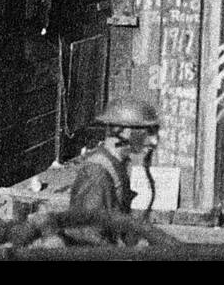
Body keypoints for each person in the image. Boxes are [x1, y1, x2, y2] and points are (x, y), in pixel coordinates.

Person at [65, 99, 160, 243]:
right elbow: (85, 235)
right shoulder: (96, 173)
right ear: (124, 132)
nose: (153, 141)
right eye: (147, 132)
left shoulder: (116, 165)